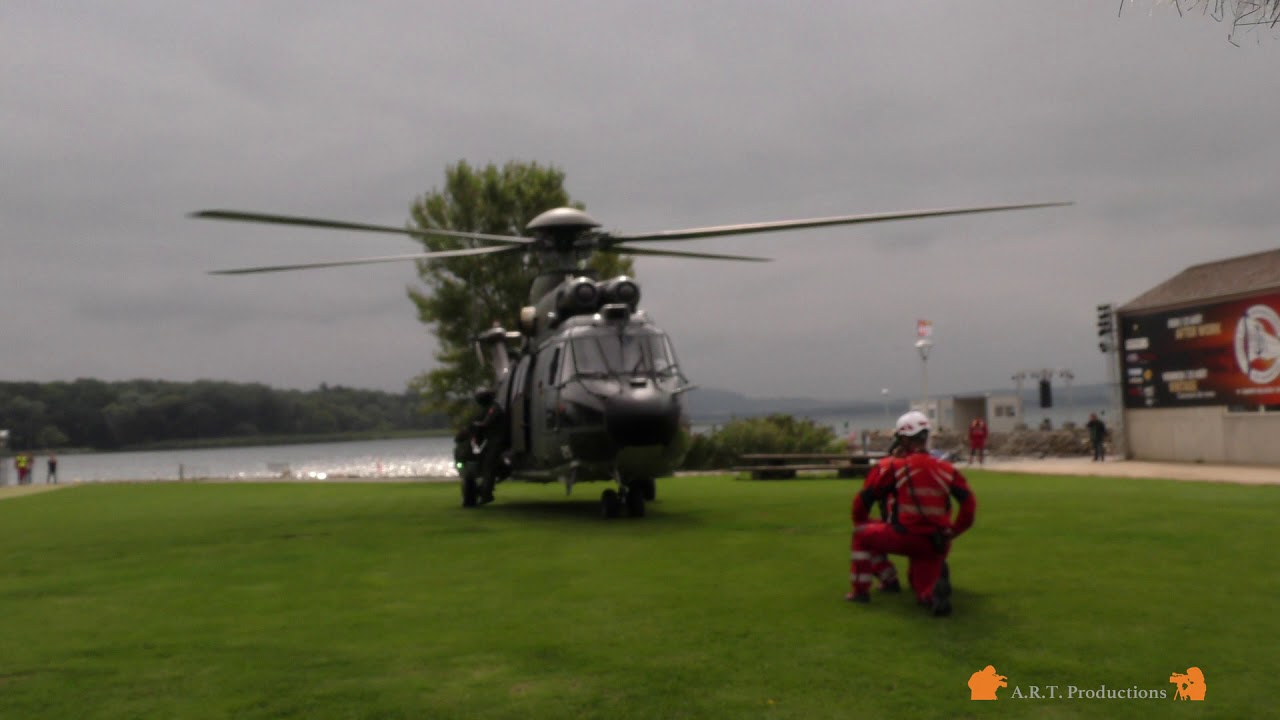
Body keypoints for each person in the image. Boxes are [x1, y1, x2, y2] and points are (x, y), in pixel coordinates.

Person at [847, 411, 977, 616]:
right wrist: (954, 531)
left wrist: (861, 520)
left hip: (905, 536)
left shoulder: (895, 466)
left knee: (862, 534)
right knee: (922, 587)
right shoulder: (946, 468)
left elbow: (866, 497)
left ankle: (864, 590)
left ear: (904, 439)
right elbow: (969, 505)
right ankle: (932, 592)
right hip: (937, 542)